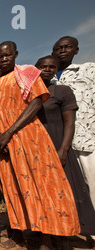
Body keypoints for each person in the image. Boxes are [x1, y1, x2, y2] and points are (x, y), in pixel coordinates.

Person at [0, 41, 80, 250]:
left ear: (16, 54)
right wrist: (3, 136)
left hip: (29, 136)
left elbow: (36, 103)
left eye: (8, 55)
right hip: (4, 140)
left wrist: (10, 132)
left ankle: (47, 242)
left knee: (40, 185)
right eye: (0, 57)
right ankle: (19, 233)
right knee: (13, 186)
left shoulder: (28, 73)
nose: (4, 59)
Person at [35, 55, 95, 240]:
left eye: (51, 66)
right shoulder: (29, 92)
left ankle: (85, 231)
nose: (47, 69)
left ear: (56, 69)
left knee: (69, 187)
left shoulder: (62, 91)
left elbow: (70, 123)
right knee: (43, 190)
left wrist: (63, 149)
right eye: (43, 66)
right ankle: (47, 231)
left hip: (57, 141)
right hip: (37, 145)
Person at [51, 36, 95, 210]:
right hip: (58, 139)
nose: (62, 51)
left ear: (76, 50)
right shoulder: (49, 76)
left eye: (67, 47)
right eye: (58, 48)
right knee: (65, 185)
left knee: (91, 181)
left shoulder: (88, 70)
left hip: (86, 136)